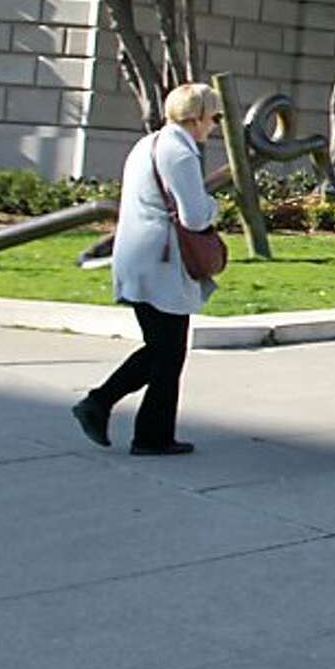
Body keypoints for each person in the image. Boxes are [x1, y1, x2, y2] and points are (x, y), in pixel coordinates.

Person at [73, 80, 222, 456]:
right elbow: (194, 216)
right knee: (167, 354)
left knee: (162, 351)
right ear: (198, 117)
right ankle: (112, 412)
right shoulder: (182, 153)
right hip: (163, 263)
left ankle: (136, 425)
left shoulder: (149, 144)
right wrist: (214, 206)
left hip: (140, 257)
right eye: (214, 116)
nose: (216, 124)